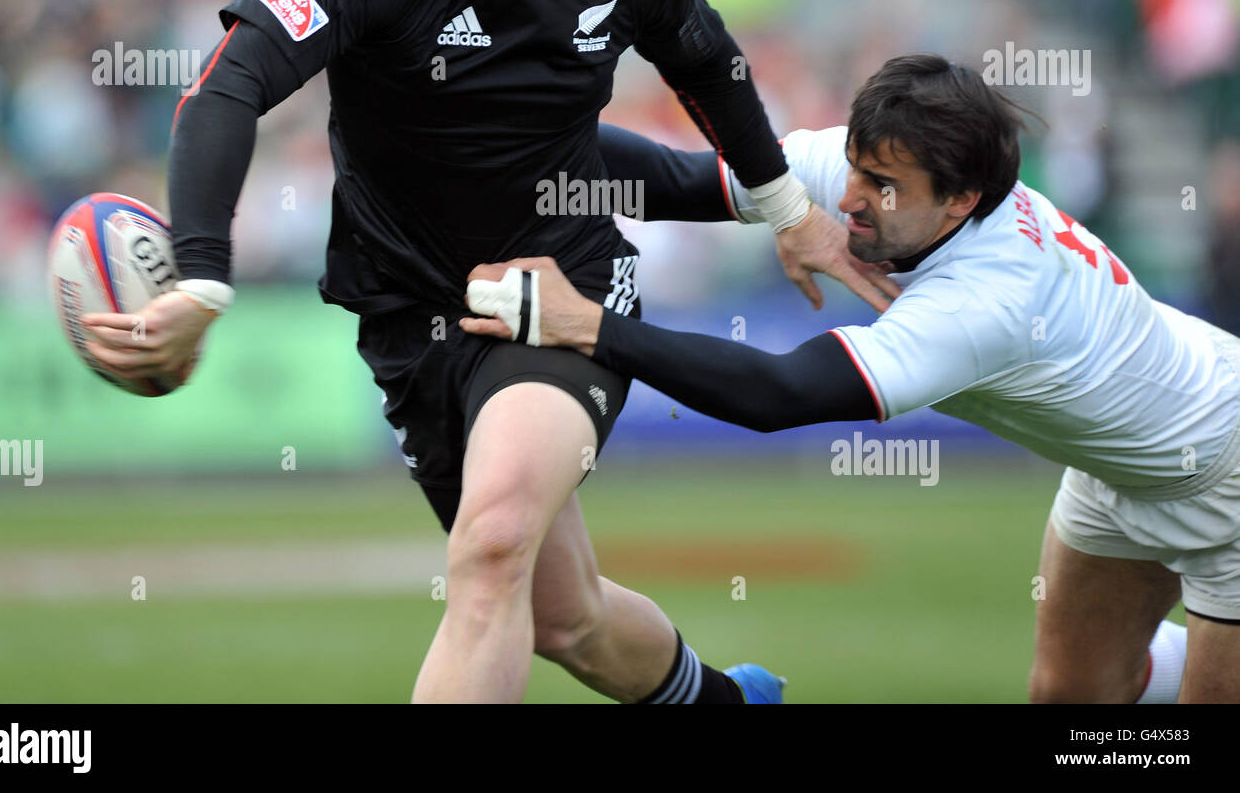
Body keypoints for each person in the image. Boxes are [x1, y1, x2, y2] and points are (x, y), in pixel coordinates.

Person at [77, 0, 899, 704]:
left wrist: (783, 207)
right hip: (410, 321)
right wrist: (203, 275)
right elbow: (228, 87)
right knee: (566, 619)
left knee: (493, 544)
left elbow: (708, 63)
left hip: (561, 292)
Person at [463, 53, 1240, 704]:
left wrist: (589, 325)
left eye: (882, 189)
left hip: (1222, 473)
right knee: (1068, 698)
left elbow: (778, 395)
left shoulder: (988, 301)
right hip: (1124, 463)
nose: (848, 201)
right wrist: (503, 128)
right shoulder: (888, 158)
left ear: (962, 201)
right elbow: (673, 180)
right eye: (858, 170)